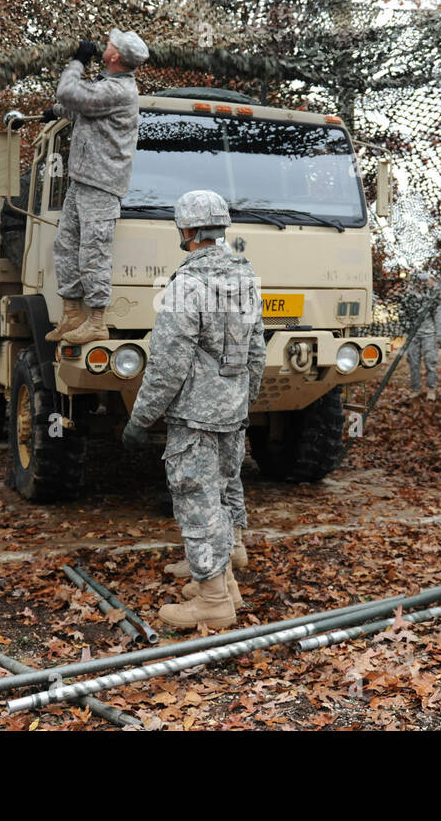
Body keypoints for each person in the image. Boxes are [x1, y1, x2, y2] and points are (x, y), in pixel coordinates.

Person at [123, 191, 265, 630]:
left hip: (195, 418)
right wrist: (243, 400)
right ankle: (224, 581)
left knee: (197, 501)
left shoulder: (186, 286)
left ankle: (213, 601)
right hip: (231, 413)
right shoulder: (246, 277)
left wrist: (140, 418)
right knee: (221, 495)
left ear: (186, 232)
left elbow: (166, 366)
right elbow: (257, 351)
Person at [42, 29, 148, 346]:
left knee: (93, 252)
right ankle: (72, 313)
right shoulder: (110, 86)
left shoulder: (120, 90)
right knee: (66, 245)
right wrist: (56, 113)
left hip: (101, 184)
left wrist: (77, 61)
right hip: (84, 178)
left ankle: (97, 322)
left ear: (115, 57)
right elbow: (82, 107)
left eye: (109, 44)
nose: (105, 45)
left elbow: (70, 93)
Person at [402, 273, 441, 400]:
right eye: (418, 281)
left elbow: (438, 316)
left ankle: (431, 389)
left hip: (429, 334)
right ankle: (416, 389)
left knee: (430, 362)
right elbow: (402, 315)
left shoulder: (432, 298)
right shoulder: (409, 298)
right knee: (413, 362)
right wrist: (407, 327)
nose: (421, 284)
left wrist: (440, 335)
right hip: (413, 335)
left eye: (423, 281)